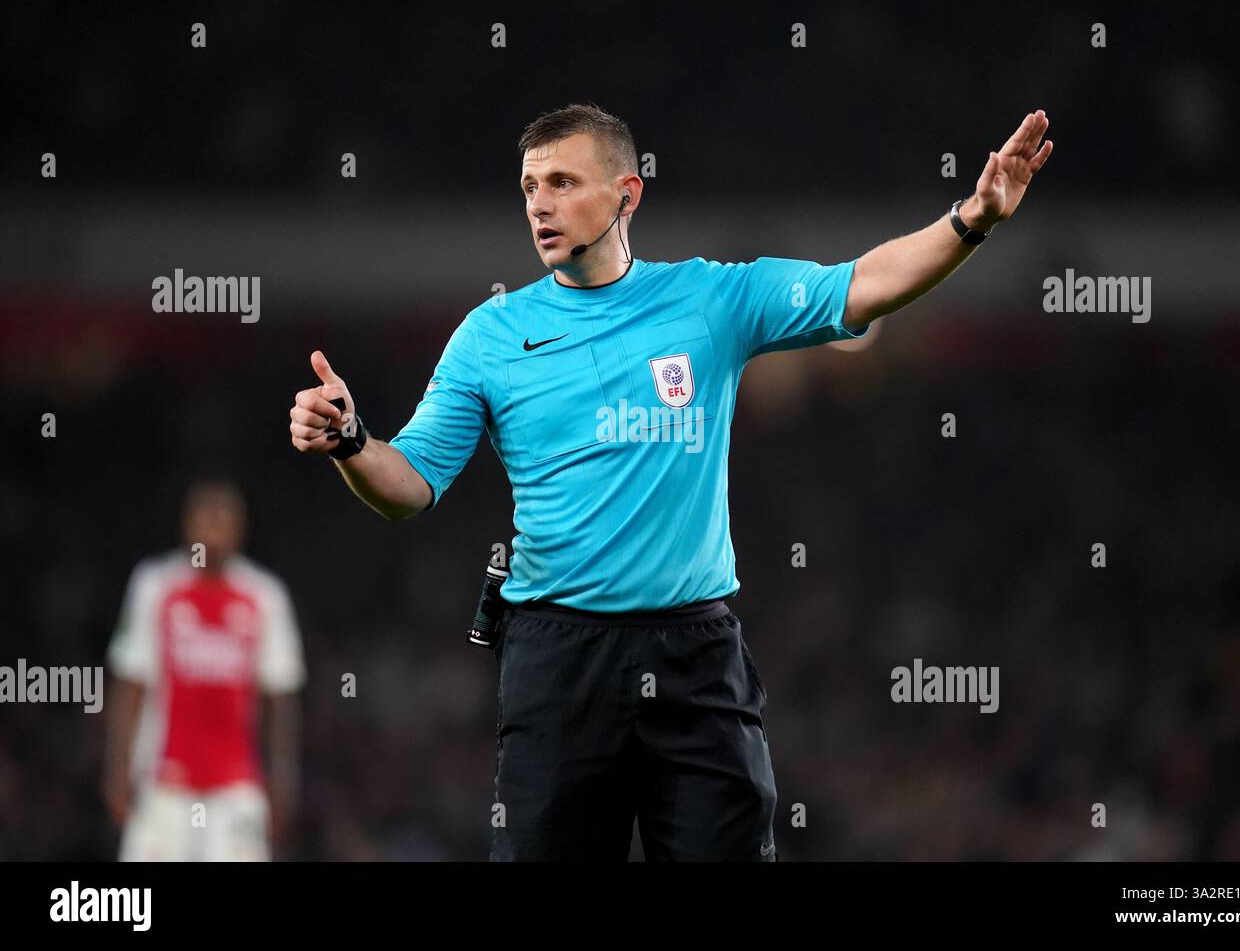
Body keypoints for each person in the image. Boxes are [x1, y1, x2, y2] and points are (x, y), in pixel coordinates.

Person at [288, 103, 1052, 860]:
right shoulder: (488, 337)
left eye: (562, 182)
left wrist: (973, 218)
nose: (540, 205)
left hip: (695, 657)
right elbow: (410, 484)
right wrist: (350, 441)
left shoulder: (709, 300)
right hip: (559, 661)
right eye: (529, 187)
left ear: (627, 193)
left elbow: (861, 285)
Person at [102, 479, 306, 861]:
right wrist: (118, 768)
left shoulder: (264, 595)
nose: (213, 529)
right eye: (205, 518)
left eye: (223, 519)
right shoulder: (155, 585)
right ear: (187, 524)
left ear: (240, 528)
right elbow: (130, 680)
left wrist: (282, 779)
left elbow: (281, 696)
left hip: (236, 784)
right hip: (164, 779)